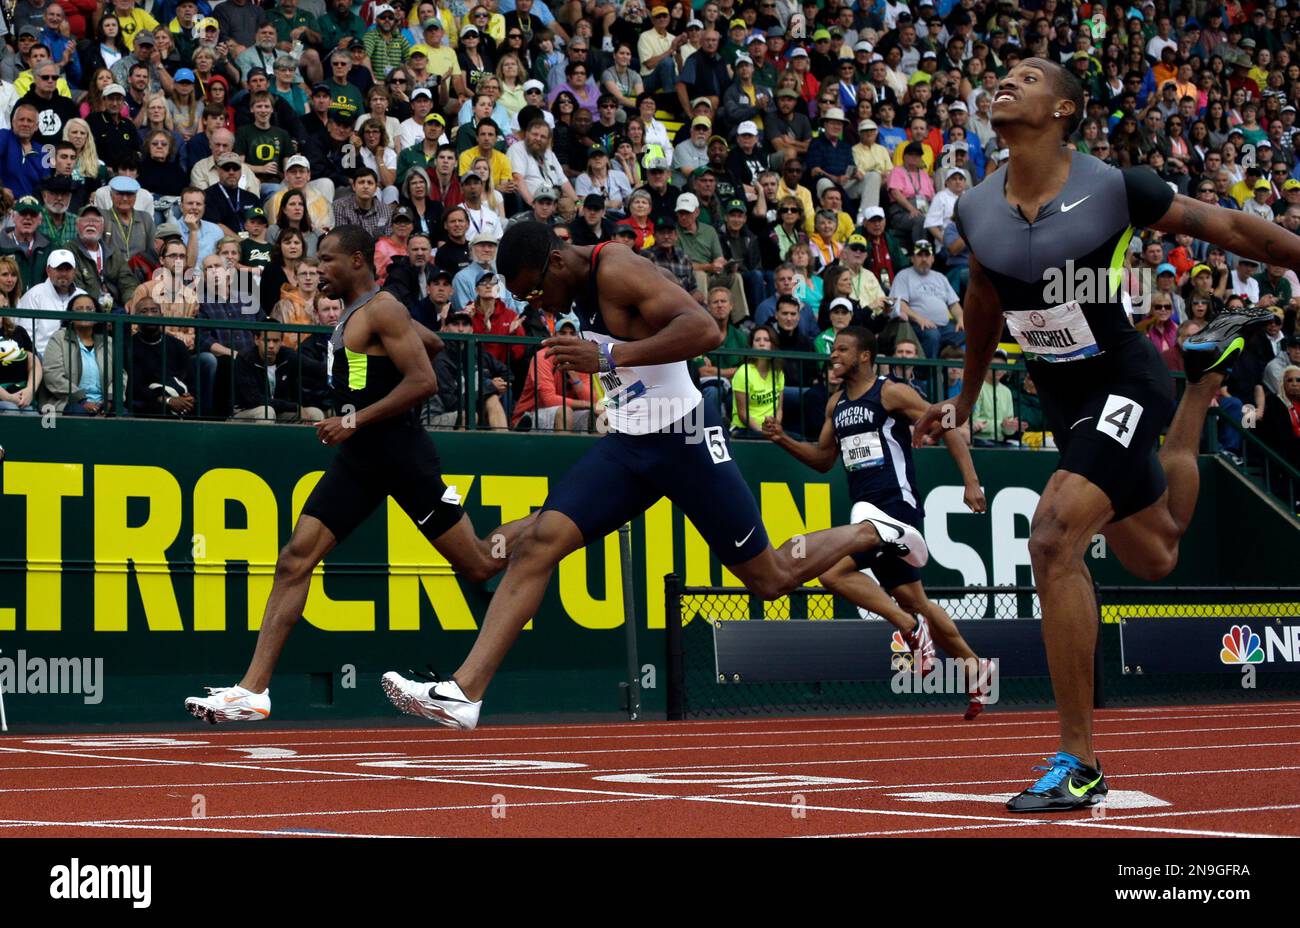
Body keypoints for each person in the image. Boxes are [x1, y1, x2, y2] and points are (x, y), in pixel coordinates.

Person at [913, 58, 1284, 813]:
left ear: (1064, 111)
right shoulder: (975, 208)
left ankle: (1078, 761)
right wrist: (966, 393)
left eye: (1027, 75)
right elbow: (984, 300)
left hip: (1124, 373)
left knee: (1052, 537)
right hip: (1063, 396)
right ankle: (1207, 377)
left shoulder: (1118, 188)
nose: (1005, 81)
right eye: (1002, 74)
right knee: (1157, 551)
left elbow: (1236, 227)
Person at [380, 224, 926, 728]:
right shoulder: (573, 289)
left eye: (534, 291)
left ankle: (871, 533)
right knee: (543, 541)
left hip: (685, 440)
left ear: (555, 262)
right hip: (630, 444)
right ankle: (464, 693)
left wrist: (612, 356)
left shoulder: (615, 268)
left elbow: (706, 329)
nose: (535, 304)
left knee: (771, 580)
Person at [184, 225, 538, 723]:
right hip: (361, 461)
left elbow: (424, 378)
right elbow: (431, 341)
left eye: (327, 260)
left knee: (480, 562)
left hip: (400, 455)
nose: (317, 269)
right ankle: (252, 691)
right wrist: (370, 401)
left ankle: (546, 521)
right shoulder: (360, 314)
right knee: (294, 559)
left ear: (356, 261)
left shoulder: (384, 307)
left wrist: (355, 418)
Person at [765, 325, 992, 720]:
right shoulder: (835, 405)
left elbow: (948, 419)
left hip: (896, 506)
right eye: (832, 350)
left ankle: (908, 627)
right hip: (866, 515)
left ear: (865, 356)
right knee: (911, 598)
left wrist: (971, 482)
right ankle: (974, 666)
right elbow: (823, 460)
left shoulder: (889, 392)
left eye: (841, 350)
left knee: (833, 572)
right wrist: (783, 439)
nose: (833, 355)